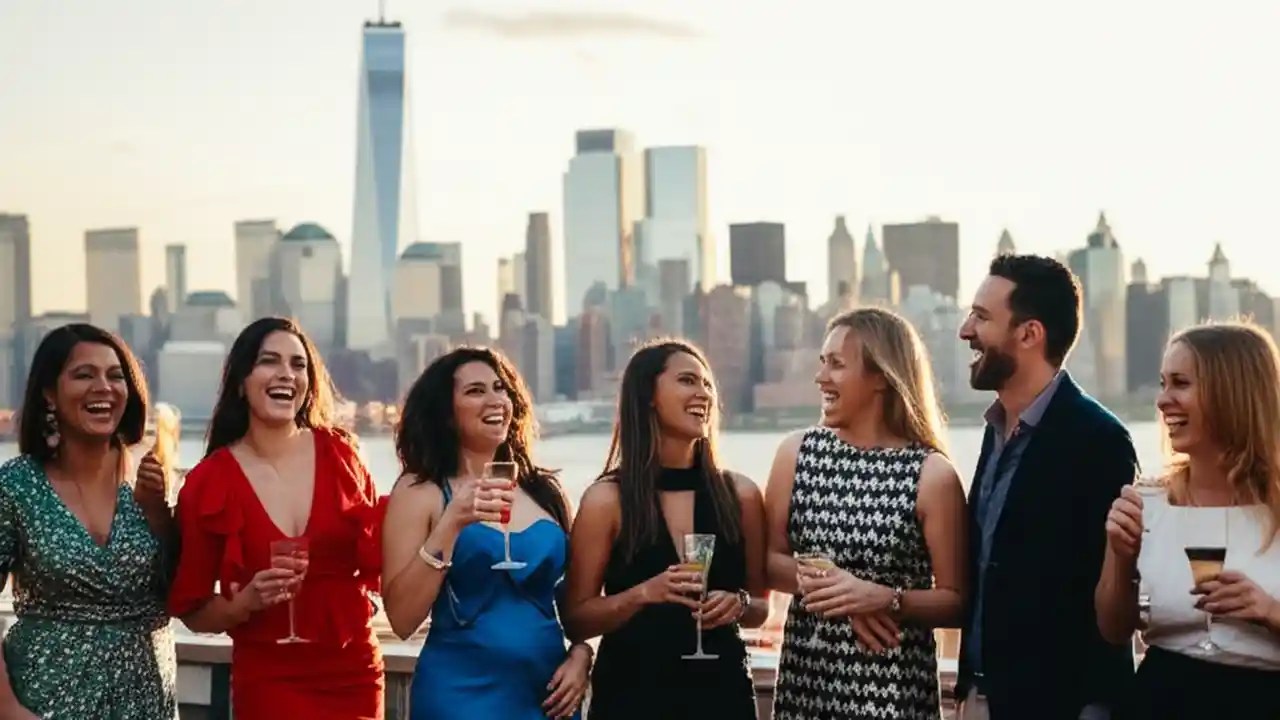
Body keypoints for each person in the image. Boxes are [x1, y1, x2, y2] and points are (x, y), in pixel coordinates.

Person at [167, 317, 385, 719]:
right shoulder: (208, 482)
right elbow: (192, 610)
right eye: (270, 361)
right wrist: (245, 602)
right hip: (269, 680)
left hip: (353, 674)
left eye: (298, 365)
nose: (287, 374)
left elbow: (375, 563)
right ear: (241, 381)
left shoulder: (344, 457)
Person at [955, 254, 1138, 719]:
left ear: (1029, 334)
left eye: (981, 316)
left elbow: (1111, 590)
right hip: (982, 699)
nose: (965, 330)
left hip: (1058, 705)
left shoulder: (1098, 440)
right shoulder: (994, 431)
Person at [765, 307, 968, 720]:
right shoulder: (797, 454)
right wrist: (844, 594)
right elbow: (768, 564)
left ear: (881, 378)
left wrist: (887, 600)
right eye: (823, 363)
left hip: (894, 693)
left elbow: (957, 602)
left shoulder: (932, 475)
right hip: (807, 686)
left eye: (836, 365)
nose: (821, 377)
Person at [564, 339, 769, 720]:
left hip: (721, 693)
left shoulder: (741, 494)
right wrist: (642, 594)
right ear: (649, 397)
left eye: (707, 384)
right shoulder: (606, 500)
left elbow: (759, 607)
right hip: (632, 695)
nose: (703, 393)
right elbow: (576, 618)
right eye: (688, 381)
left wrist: (738, 603)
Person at [381, 347, 590, 720]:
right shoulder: (421, 490)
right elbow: (401, 619)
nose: (495, 399)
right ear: (445, 413)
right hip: (460, 696)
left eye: (500, 388)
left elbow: (576, 606)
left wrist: (581, 654)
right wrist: (451, 524)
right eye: (475, 391)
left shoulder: (545, 492)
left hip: (548, 698)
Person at [1096, 323, 1280, 719]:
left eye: (1180, 383)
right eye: (1163, 384)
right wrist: (1118, 555)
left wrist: (1269, 611)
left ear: (1233, 393)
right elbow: (1113, 629)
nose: (1163, 401)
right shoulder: (1148, 502)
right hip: (1162, 701)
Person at [0, 323, 176, 719]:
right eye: (84, 374)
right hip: (43, 702)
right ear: (49, 393)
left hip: (144, 701)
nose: (104, 387)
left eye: (116, 376)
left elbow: (184, 596)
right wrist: (7, 707)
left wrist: (158, 514)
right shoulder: (15, 486)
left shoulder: (155, 480)